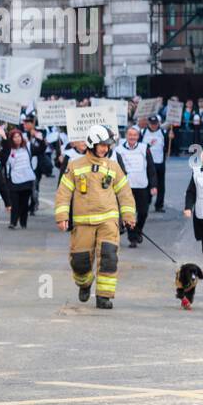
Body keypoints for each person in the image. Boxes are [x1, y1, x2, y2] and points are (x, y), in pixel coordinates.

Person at [54, 124, 136, 309]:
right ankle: (84, 283)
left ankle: (104, 296)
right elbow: (63, 193)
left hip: (108, 221)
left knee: (109, 258)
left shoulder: (114, 167)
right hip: (82, 223)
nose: (105, 149)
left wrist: (128, 215)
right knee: (79, 262)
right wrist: (61, 216)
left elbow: (124, 192)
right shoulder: (74, 166)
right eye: (102, 145)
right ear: (92, 144)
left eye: (108, 146)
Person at [114, 125, 158, 247]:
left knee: (143, 212)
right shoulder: (118, 150)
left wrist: (153, 185)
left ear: (138, 136)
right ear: (126, 136)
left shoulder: (144, 148)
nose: (132, 137)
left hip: (142, 185)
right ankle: (132, 237)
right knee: (129, 213)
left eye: (135, 135)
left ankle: (137, 230)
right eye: (130, 135)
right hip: (125, 187)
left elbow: (151, 168)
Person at [0, 127, 36, 229]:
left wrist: (39, 139)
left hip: (27, 179)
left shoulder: (27, 146)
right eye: (15, 137)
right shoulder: (8, 150)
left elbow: (40, 150)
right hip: (13, 180)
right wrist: (3, 137)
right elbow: (1, 158)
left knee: (24, 203)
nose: (18, 139)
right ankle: (13, 222)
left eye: (19, 136)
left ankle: (23, 222)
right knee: (14, 203)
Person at [141, 115, 170, 211]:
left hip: (159, 162)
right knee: (147, 183)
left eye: (155, 123)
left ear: (158, 123)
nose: (153, 125)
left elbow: (168, 146)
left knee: (161, 185)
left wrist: (171, 139)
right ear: (148, 123)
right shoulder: (143, 132)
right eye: (152, 124)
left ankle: (159, 205)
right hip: (147, 163)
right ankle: (147, 202)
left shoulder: (163, 132)